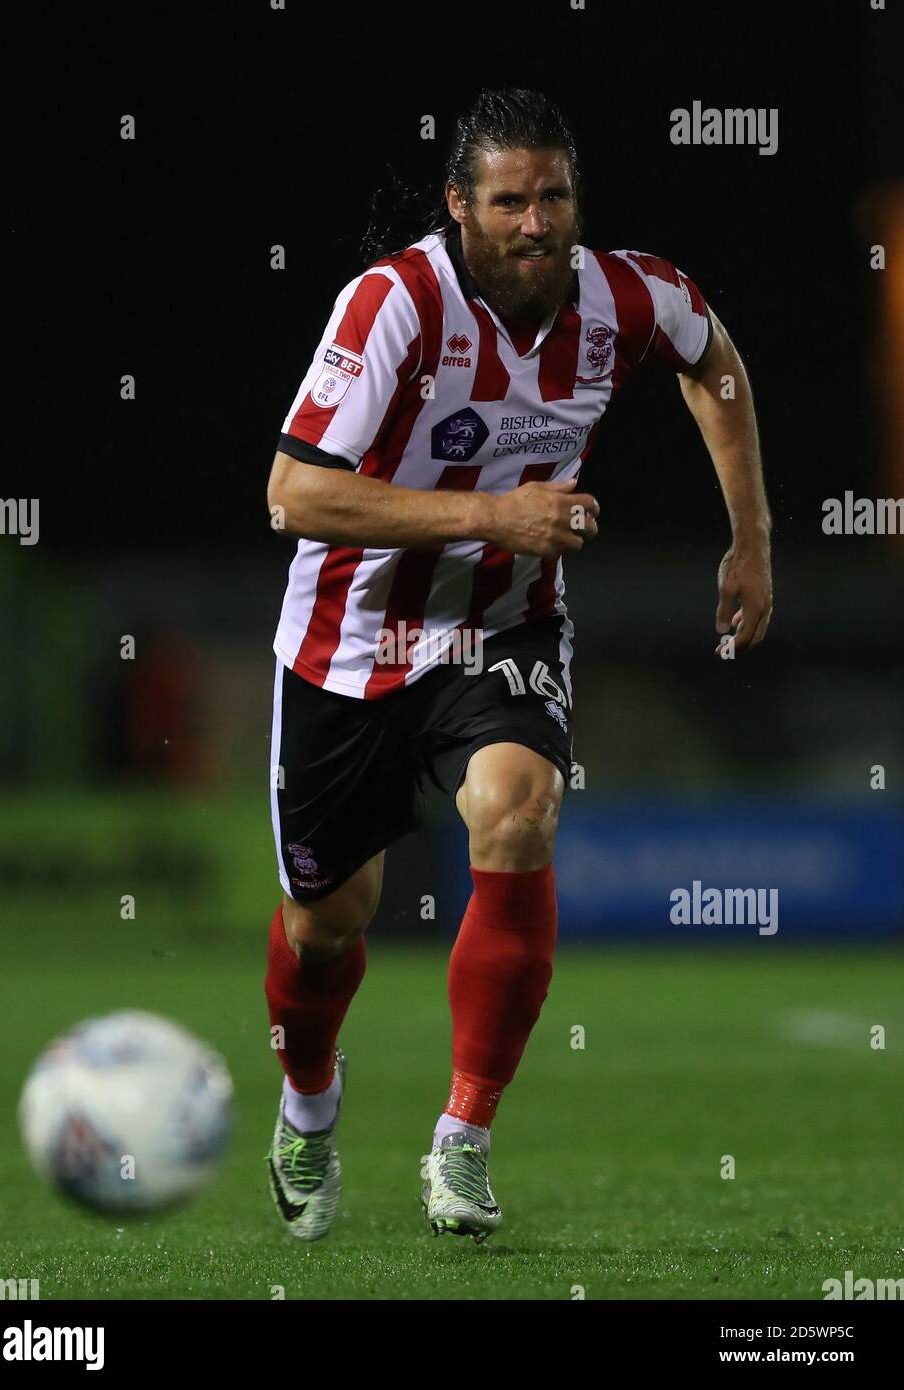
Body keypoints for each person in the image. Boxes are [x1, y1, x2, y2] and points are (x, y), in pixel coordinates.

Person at [263, 88, 772, 1243]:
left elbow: (717, 363)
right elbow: (293, 495)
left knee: (517, 811)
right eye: (508, 201)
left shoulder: (626, 296)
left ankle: (464, 1139)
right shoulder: (394, 303)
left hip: (503, 629)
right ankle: (307, 1103)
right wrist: (496, 514)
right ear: (460, 205)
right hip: (352, 643)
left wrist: (751, 539)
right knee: (327, 921)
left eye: (554, 197)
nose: (536, 223)